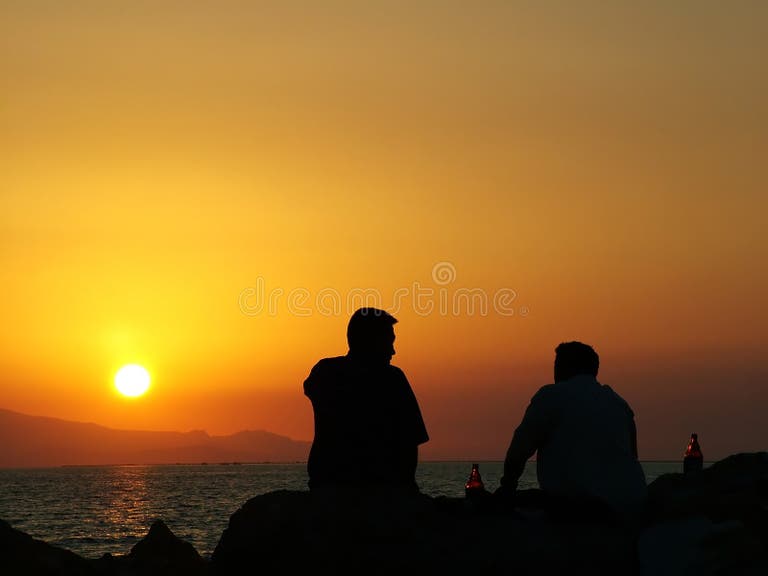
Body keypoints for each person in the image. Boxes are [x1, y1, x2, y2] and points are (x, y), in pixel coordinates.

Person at [497, 341, 647, 521]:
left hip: (581, 511)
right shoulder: (619, 403)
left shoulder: (551, 396)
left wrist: (507, 487)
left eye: (556, 365)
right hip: (632, 505)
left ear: (562, 367)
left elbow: (519, 450)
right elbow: (632, 454)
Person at [303, 307, 429, 493]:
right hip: (377, 488)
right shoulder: (391, 379)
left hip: (327, 483)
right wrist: (408, 489)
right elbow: (410, 441)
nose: (393, 351)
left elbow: (309, 388)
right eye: (388, 342)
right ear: (370, 341)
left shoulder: (324, 372)